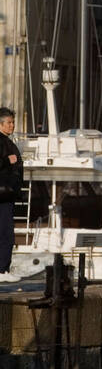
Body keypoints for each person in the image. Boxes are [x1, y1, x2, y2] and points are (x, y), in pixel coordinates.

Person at [0, 107, 23, 277]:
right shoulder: (2, 143)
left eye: (13, 122)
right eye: (9, 122)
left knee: (6, 234)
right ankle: (2, 270)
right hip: (2, 196)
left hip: (7, 195)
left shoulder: (8, 142)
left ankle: (3, 269)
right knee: (6, 235)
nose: (12, 125)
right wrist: (6, 160)